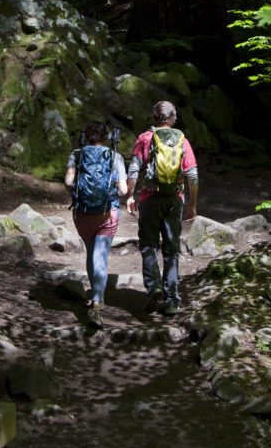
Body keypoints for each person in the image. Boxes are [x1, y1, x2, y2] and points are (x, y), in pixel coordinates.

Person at [125, 101, 198, 316]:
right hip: (174, 200)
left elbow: (134, 169)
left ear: (155, 118)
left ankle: (154, 287)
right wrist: (192, 204)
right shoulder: (182, 140)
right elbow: (192, 174)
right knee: (171, 250)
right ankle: (172, 300)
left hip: (149, 198)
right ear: (173, 119)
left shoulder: (145, 138)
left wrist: (130, 196)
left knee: (148, 246)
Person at [64, 121, 128, 328]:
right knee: (101, 255)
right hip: (107, 214)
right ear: (105, 137)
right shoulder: (114, 156)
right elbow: (124, 190)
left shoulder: (77, 154)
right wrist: (109, 196)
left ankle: (95, 296)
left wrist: (77, 197)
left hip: (82, 214)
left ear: (86, 136)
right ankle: (97, 300)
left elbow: (68, 182)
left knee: (91, 253)